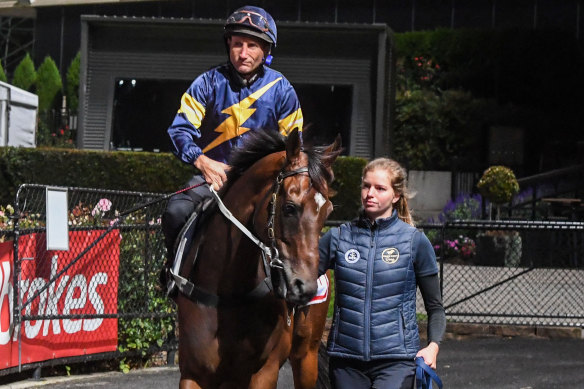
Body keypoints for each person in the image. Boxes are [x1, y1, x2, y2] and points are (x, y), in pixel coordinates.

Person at [161, 5, 304, 294]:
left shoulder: (282, 89)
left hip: (264, 184)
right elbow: (179, 130)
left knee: (299, 218)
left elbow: (295, 147)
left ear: (265, 50)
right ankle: (172, 275)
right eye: (238, 44)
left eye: (252, 45)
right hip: (212, 178)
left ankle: (297, 285)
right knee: (175, 211)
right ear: (229, 45)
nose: (243, 52)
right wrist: (203, 162)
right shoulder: (206, 83)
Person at [318, 158, 446, 389]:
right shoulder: (338, 238)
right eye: (366, 186)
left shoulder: (414, 242)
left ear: (396, 196)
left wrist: (432, 347)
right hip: (346, 360)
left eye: (380, 188)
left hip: (397, 361)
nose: (370, 193)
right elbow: (300, 282)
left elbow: (435, 307)